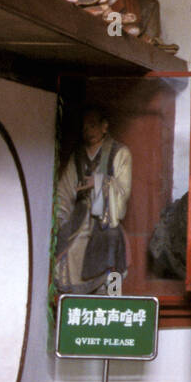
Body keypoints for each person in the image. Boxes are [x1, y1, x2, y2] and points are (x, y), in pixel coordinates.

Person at [53, 106, 132, 294]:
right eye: (85, 127)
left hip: (106, 218)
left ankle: (110, 294)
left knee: (112, 244)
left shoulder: (120, 153)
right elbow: (65, 190)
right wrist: (59, 219)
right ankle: (71, 298)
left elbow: (123, 190)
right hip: (80, 217)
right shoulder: (78, 156)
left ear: (105, 126)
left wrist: (99, 183)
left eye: (93, 125)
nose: (88, 131)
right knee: (64, 246)